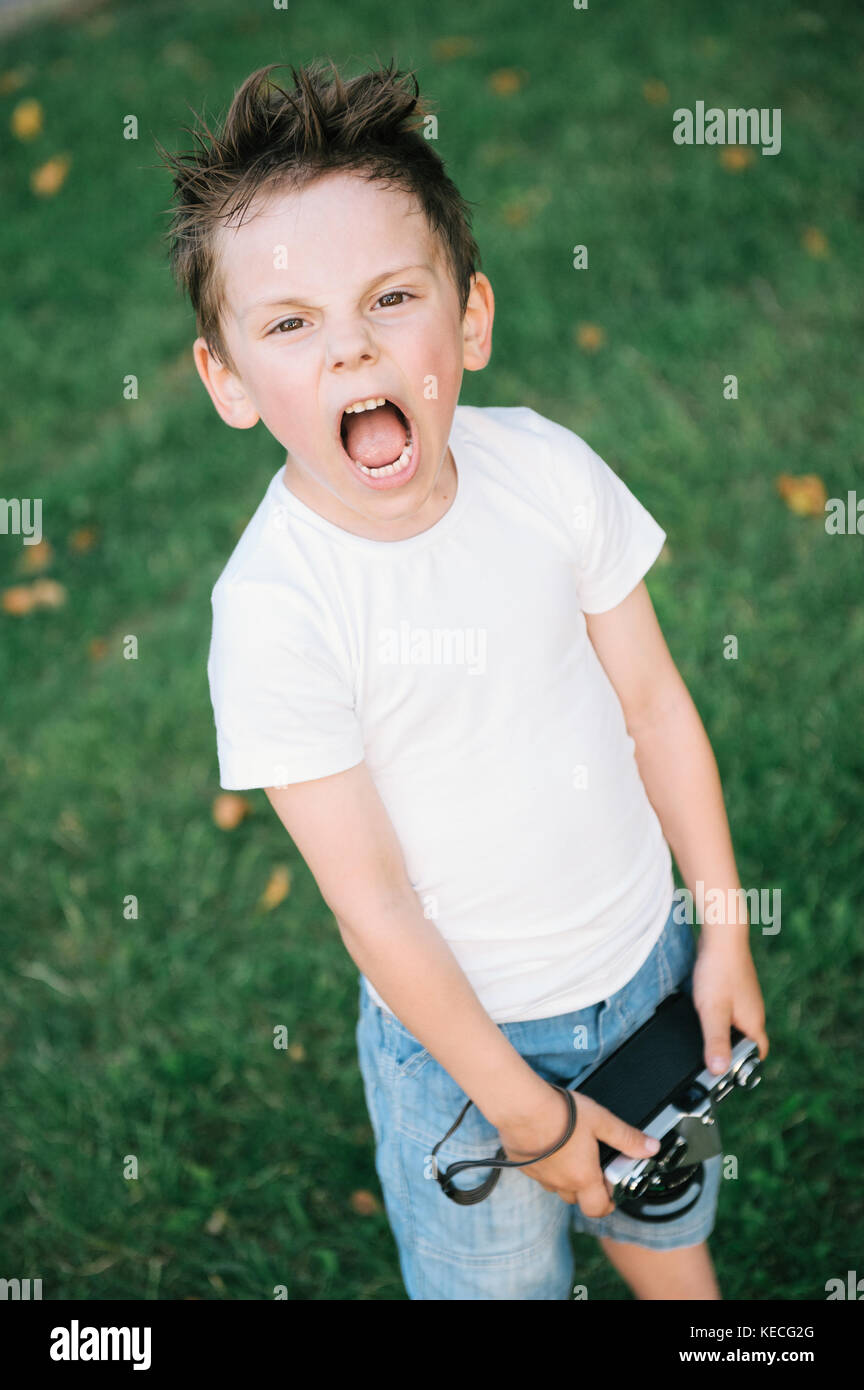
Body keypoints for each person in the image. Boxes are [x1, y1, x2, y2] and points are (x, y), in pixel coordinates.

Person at [160, 59, 769, 1301]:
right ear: (227, 381)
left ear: (471, 319)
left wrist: (722, 932)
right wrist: (527, 1117)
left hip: (644, 968)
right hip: (459, 1054)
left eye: (391, 297)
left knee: (668, 1237)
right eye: (289, 323)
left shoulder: (544, 472)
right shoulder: (277, 611)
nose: (351, 349)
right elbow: (373, 906)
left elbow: (655, 706)